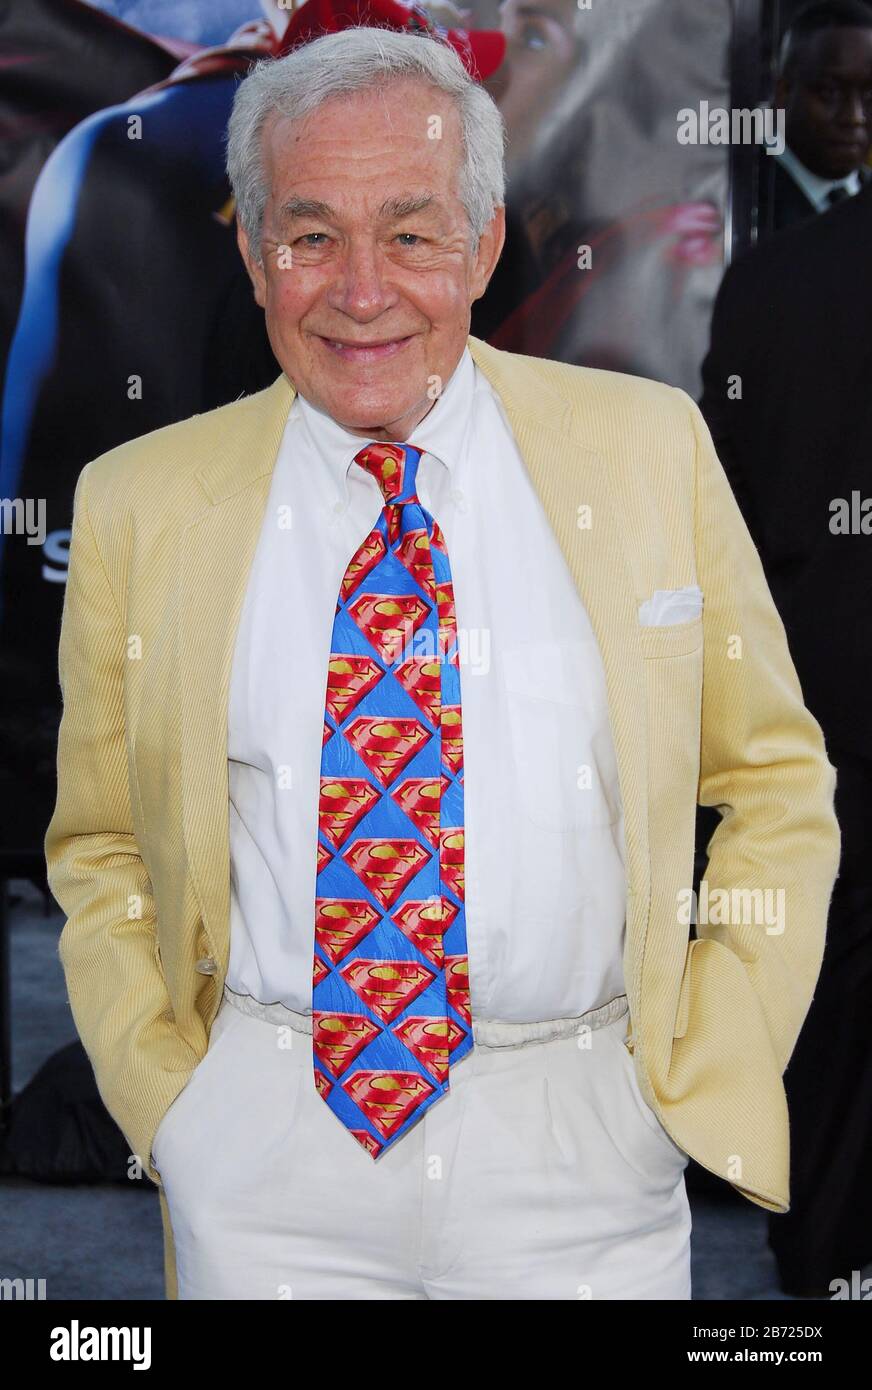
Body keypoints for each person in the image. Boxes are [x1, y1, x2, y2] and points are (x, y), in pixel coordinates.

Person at [45, 26, 840, 1301]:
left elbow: (772, 784)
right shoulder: (141, 506)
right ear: (253, 256)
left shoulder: (645, 454)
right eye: (310, 236)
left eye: (411, 234)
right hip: (263, 1158)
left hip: (582, 1150)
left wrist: (690, 1075)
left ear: (479, 246)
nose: (362, 290)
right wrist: (173, 1110)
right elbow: (98, 847)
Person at [699, 179, 872, 1296]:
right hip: (817, 699)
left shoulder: (771, 277)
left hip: (816, 696)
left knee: (828, 979)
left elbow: (724, 509)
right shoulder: (771, 278)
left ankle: (822, 1253)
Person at [766, 0, 872, 234]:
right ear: (783, 93)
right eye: (829, 93)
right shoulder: (740, 202)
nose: (854, 117)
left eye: (869, 96)